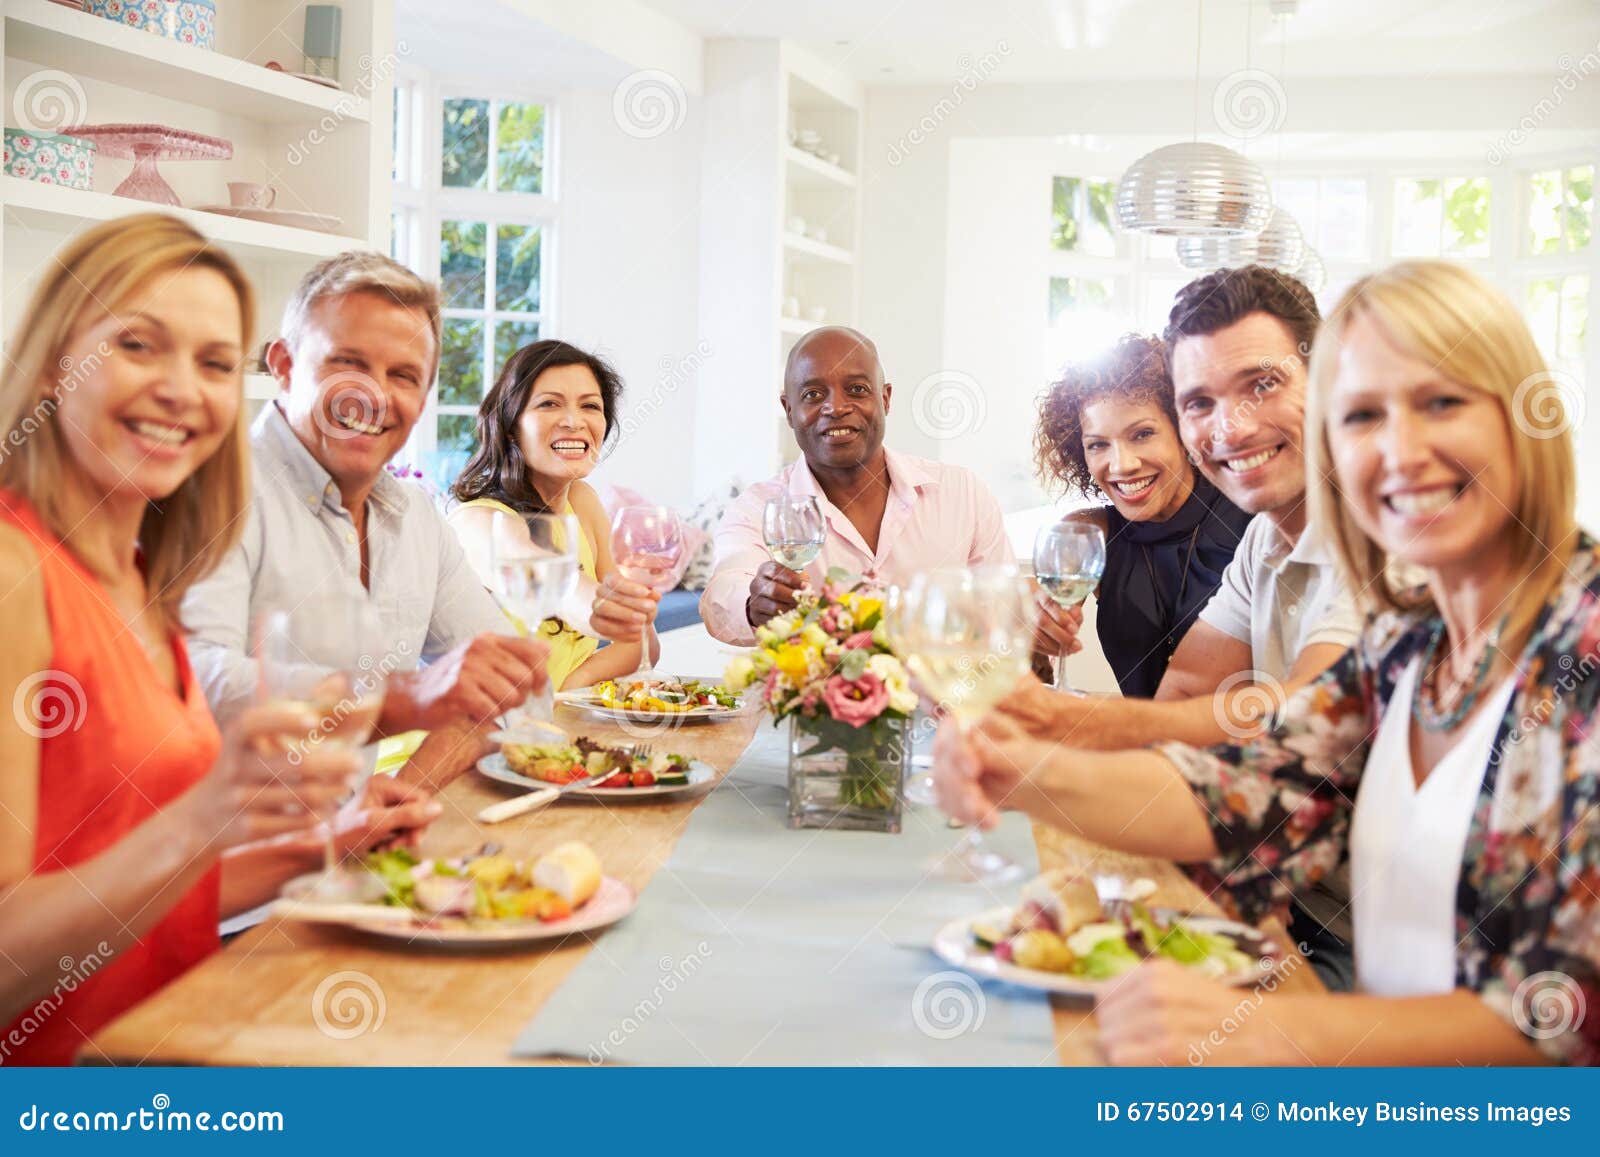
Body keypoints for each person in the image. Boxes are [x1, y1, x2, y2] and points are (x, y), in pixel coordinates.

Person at [934, 260, 1600, 1066]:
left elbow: (1561, 1017)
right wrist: (1009, 766)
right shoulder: (1409, 637)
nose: (1399, 451)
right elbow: (1253, 786)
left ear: (1523, 410)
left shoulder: (1580, 649)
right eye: (1360, 417)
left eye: (1442, 403)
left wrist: (1273, 1032)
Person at [0, 215, 437, 1065]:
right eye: (138, 344)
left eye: (209, 363)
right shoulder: (15, 574)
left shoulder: (134, 576)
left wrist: (317, 849)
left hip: (180, 1043)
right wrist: (208, 814)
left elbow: (140, 892)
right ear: (57, 363)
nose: (180, 389)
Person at [1002, 267, 1363, 987]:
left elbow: (1294, 723)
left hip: (1373, 938)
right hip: (1271, 887)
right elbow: (1177, 706)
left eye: (1262, 384)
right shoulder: (1269, 538)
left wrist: (1049, 739)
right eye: (1200, 400)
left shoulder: (1375, 539)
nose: (1229, 427)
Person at [182, 251, 549, 771]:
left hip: (348, 840)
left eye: (403, 375)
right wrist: (402, 696)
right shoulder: (209, 490)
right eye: (347, 363)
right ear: (284, 365)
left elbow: (523, 690)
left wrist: (407, 791)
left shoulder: (418, 519)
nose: (371, 396)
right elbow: (192, 683)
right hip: (219, 844)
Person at [698, 326, 1078, 659]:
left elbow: (1003, 609)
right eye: (813, 395)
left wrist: (1033, 625)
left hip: (945, 723)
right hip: (811, 729)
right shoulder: (759, 508)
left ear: (886, 398)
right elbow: (723, 594)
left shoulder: (961, 493)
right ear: (789, 409)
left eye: (857, 389)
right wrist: (753, 604)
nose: (836, 407)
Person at [1034, 333, 1251, 697]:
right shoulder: (1093, 537)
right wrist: (1029, 631)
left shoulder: (1252, 519)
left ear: (1185, 433)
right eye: (1098, 445)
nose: (1121, 465)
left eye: (1142, 434)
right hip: (1141, 748)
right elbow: (1032, 660)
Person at [448, 340, 650, 689]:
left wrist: (568, 690)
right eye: (549, 404)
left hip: (549, 732)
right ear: (511, 425)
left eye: (590, 406)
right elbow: (559, 589)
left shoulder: (582, 502)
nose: (574, 422)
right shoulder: (477, 522)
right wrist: (616, 613)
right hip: (478, 737)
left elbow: (643, 643)